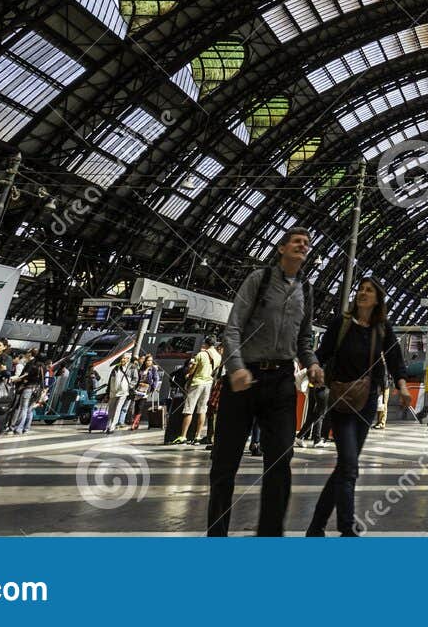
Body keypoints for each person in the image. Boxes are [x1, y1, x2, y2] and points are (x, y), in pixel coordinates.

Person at [207, 227, 322, 537]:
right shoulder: (259, 280)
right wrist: (236, 368)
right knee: (224, 463)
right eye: (297, 242)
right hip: (245, 378)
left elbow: (305, 338)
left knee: (281, 461)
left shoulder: (306, 291)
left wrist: (311, 363)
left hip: (282, 379)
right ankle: (216, 535)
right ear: (281, 248)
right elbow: (232, 328)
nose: (303, 246)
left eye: (307, 244)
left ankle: (270, 536)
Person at [307, 278, 411, 536]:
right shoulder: (341, 324)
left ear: (377, 299)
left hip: (367, 402)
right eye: (360, 290)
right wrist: (314, 365)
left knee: (345, 466)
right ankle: (347, 528)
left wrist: (403, 385)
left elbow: (396, 359)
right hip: (341, 401)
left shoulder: (382, 328)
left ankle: (316, 527)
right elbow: (323, 352)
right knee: (350, 466)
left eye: (369, 291)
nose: (362, 294)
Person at [174, 339, 219, 444]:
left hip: (196, 383)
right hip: (208, 384)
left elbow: (192, 370)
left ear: (206, 344)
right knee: (202, 410)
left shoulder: (201, 354)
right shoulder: (218, 356)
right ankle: (198, 436)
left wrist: (188, 375)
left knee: (188, 409)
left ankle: (183, 436)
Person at [130, 354, 160, 430]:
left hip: (146, 389)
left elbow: (156, 379)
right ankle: (137, 423)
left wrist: (153, 388)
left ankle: (134, 423)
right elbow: (137, 378)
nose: (149, 362)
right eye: (148, 360)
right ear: (145, 361)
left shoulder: (153, 369)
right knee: (136, 406)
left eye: (151, 360)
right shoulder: (141, 368)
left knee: (140, 405)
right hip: (139, 388)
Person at [106, 354, 134, 431]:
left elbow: (135, 379)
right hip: (113, 391)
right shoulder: (116, 367)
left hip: (123, 392)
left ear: (128, 359)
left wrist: (129, 387)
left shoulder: (132, 368)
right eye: (122, 358)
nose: (123, 360)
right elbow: (110, 379)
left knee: (118, 408)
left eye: (125, 358)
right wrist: (108, 391)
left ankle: (112, 426)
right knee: (111, 408)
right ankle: (108, 425)